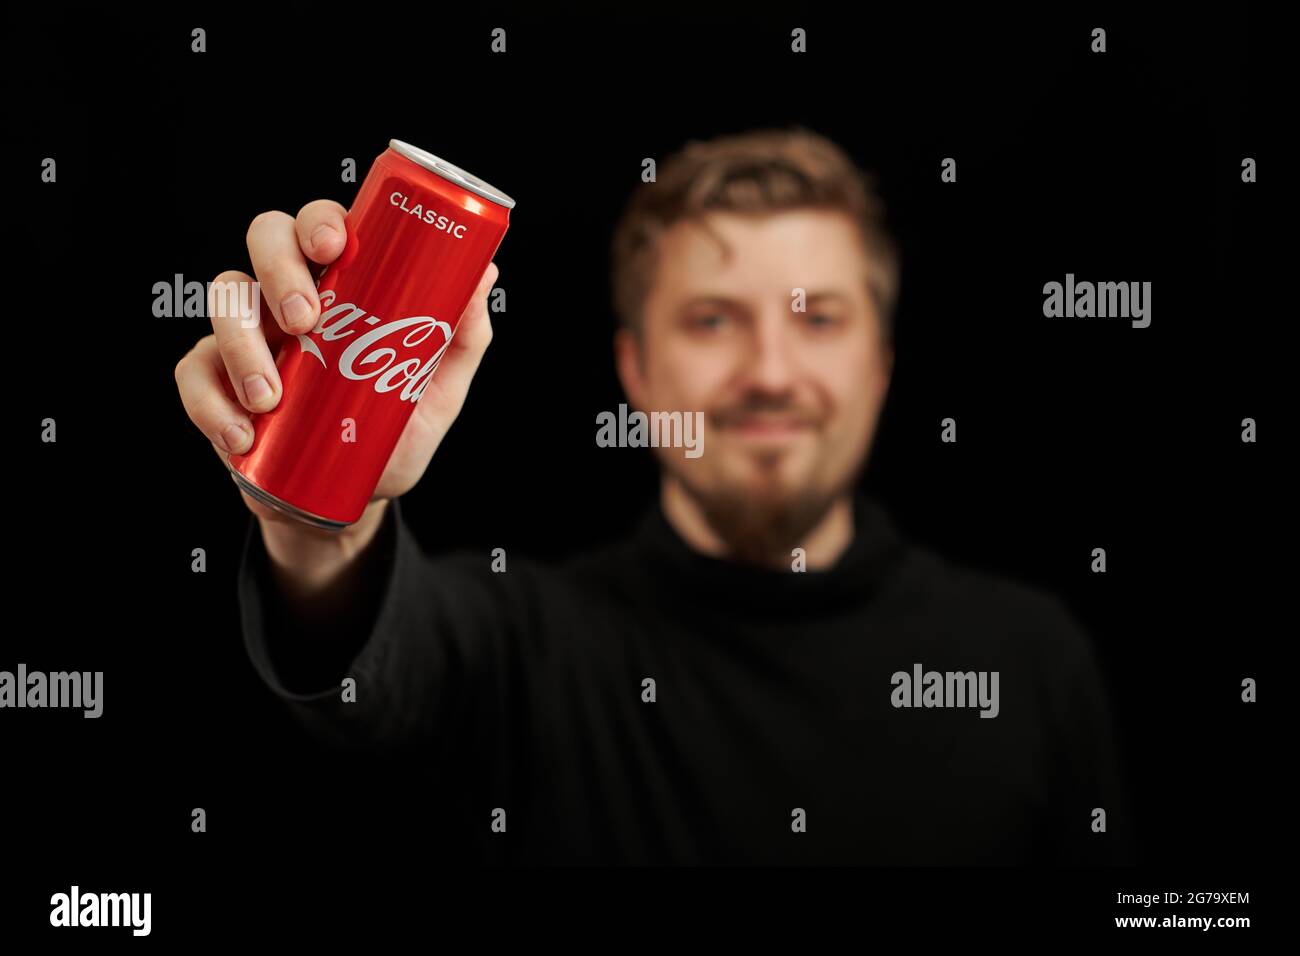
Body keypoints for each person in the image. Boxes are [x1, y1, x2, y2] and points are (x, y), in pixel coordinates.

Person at [174, 127, 1135, 865]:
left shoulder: (1032, 660)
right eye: (712, 320)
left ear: (880, 363)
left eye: (820, 319)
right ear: (635, 368)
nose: (769, 371)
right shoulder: (519, 646)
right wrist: (317, 501)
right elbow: (374, 676)